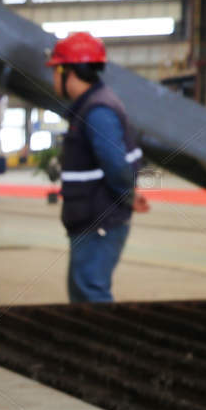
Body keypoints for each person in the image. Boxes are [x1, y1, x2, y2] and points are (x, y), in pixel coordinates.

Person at [49, 31, 149, 303]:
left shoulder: (97, 112)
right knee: (84, 296)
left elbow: (115, 163)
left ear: (68, 71)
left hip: (99, 221)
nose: (53, 78)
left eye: (55, 70)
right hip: (92, 218)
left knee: (91, 295)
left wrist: (127, 195)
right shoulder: (91, 107)